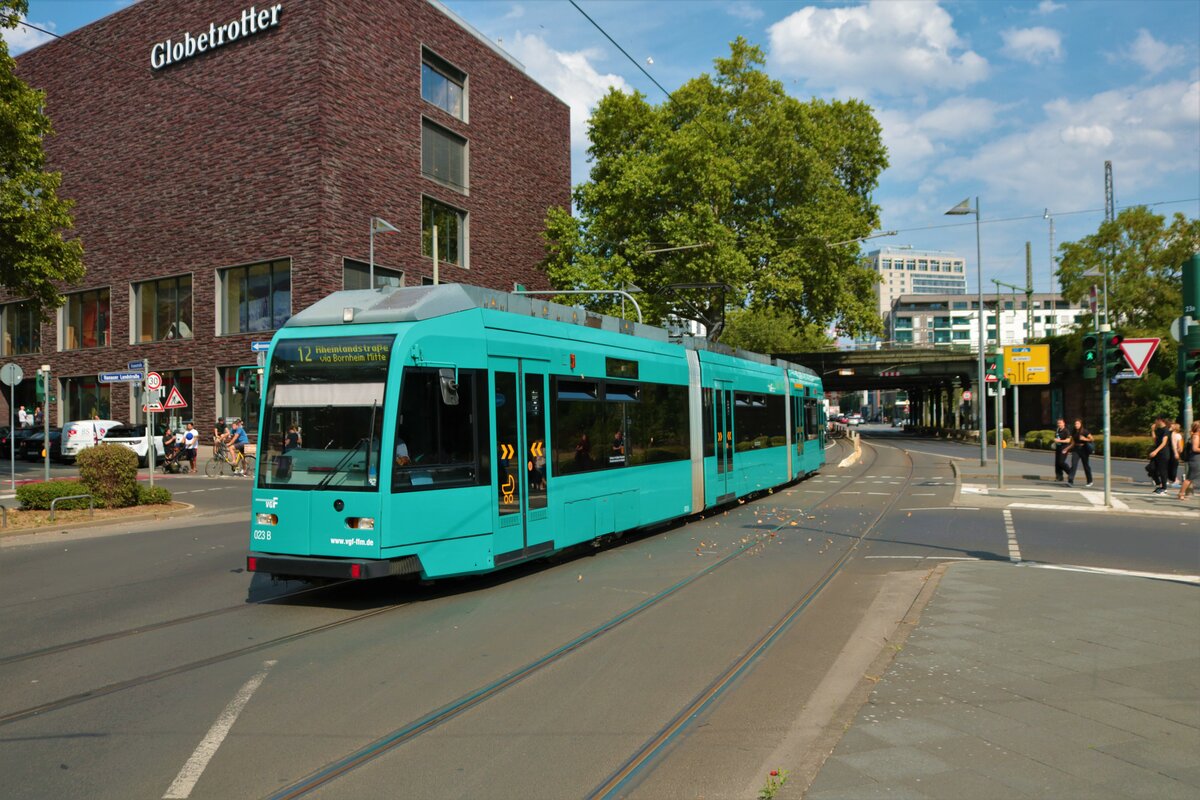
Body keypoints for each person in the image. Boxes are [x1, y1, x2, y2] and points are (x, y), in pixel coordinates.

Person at [1066, 418, 1094, 487]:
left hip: (1084, 449)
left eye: (1078, 424)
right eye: (1075, 424)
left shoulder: (1085, 431)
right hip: (1076, 449)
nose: (1076, 425)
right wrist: (1067, 448)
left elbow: (1092, 439)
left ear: (1081, 424)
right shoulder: (1073, 432)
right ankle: (1070, 481)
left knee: (1086, 465)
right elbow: (1073, 442)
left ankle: (1090, 481)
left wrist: (1085, 439)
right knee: (1074, 465)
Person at [1148, 416, 1171, 495]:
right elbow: (1155, 441)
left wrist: (1155, 451)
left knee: (1162, 471)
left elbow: (1164, 443)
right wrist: (1153, 431)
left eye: (1156, 420)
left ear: (1160, 420)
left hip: (1163, 453)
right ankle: (1159, 485)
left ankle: (1164, 488)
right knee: (1151, 468)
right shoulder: (1158, 430)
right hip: (1157, 453)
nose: (1155, 422)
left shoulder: (1166, 430)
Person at [1178, 421, 1199, 501]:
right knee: (1190, 478)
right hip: (1196, 459)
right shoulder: (1196, 436)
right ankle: (1181, 493)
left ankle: (1182, 493)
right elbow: (1195, 448)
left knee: (1191, 477)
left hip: (1197, 459)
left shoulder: (1196, 436)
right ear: (1198, 428)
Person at [1052, 418, 1070, 483]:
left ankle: (1070, 472)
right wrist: (1055, 441)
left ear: (1064, 423)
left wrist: (1059, 441)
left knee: (1061, 462)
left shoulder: (1066, 431)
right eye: (1058, 423)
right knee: (1057, 463)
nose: (1059, 424)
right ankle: (1059, 477)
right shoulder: (1057, 430)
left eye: (1060, 423)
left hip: (1064, 448)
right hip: (1058, 448)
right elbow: (1056, 438)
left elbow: (1068, 440)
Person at [1168, 421, 1183, 487]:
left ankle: (1176, 481)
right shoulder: (1169, 434)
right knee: (1169, 467)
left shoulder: (1178, 435)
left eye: (1173, 425)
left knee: (1173, 468)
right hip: (1170, 453)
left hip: (1174, 453)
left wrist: (1176, 452)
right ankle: (1173, 480)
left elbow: (1180, 447)